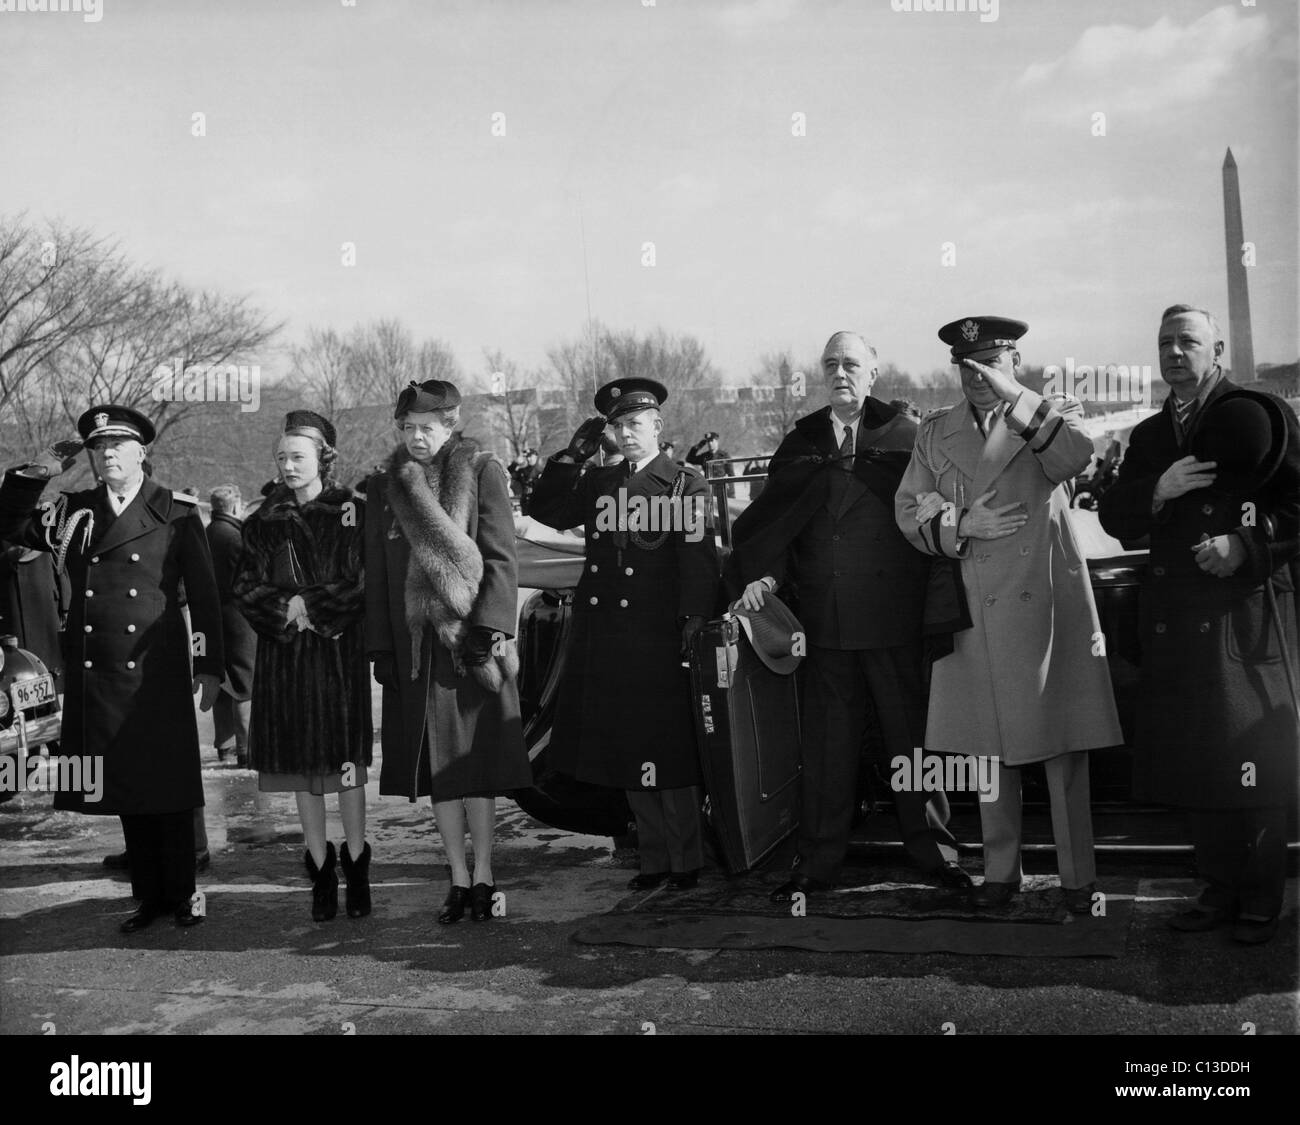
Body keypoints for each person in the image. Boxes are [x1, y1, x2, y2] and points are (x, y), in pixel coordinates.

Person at [731, 331, 968, 901]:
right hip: (823, 628)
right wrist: (766, 576)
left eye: (852, 364)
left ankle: (936, 854)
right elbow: (777, 523)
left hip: (896, 622)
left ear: (874, 371)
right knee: (828, 750)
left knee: (912, 744)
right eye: (831, 364)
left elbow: (939, 517)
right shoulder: (801, 443)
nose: (841, 372)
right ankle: (817, 863)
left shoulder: (909, 437)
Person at [896, 316, 1122, 911]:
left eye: (989, 364)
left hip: (1045, 599)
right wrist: (959, 524)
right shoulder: (935, 431)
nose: (976, 377)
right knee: (987, 744)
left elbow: (1074, 459)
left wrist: (1018, 400)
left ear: (1013, 360)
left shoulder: (1049, 416)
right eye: (966, 367)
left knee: (1061, 745)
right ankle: (1000, 872)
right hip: (973, 596)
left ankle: (1078, 879)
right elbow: (907, 506)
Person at [1099, 304, 1300, 944]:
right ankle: (1216, 889)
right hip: (1178, 620)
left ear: (1217, 351)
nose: (1175, 351)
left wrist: (1244, 548)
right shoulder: (1153, 436)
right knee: (1199, 760)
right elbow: (1115, 516)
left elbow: (1298, 506)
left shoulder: (1258, 414)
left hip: (1246, 615)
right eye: (1165, 342)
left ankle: (1262, 899)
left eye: (1188, 341)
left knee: (1251, 757)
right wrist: (1158, 491)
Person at [0, 406, 224, 932]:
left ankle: (185, 893)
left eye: (118, 446)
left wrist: (210, 663)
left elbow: (207, 596)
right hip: (98, 673)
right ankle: (148, 897)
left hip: (155, 670)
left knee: (166, 789)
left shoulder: (177, 510)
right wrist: (32, 477)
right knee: (126, 789)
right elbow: (8, 524)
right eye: (99, 448)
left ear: (141, 451)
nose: (107, 455)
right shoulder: (74, 511)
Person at [531, 378, 718, 890]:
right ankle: (652, 857)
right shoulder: (600, 483)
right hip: (607, 636)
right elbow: (545, 511)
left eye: (635, 424)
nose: (626, 434)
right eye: (617, 426)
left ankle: (686, 858)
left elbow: (697, 558)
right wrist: (571, 458)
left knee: (669, 749)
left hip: (659, 635)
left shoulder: (684, 483)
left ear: (658, 426)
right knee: (628, 746)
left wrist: (694, 620)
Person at [365, 380, 530, 925]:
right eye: (407, 427)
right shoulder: (385, 487)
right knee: (439, 775)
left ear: (450, 424)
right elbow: (380, 578)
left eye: (427, 428)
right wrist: (382, 647)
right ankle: (456, 878)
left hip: (470, 647)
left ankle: (485, 873)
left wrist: (490, 627)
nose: (416, 436)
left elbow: (501, 556)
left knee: (473, 769)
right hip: (418, 651)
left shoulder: (481, 470)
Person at [233, 412, 373, 922]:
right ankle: (319, 866)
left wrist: (313, 606)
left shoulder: (354, 512)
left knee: (346, 767)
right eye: (281, 458)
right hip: (286, 657)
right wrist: (286, 610)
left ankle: (357, 863)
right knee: (301, 770)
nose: (288, 466)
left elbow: (363, 580)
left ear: (323, 459)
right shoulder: (260, 520)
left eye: (298, 457)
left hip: (338, 655)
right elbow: (244, 586)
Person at [206, 485, 255, 767]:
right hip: (239, 618)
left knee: (222, 682)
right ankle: (247, 747)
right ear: (235, 505)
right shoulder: (235, 536)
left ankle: (224, 746)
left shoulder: (205, 533)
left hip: (213, 617)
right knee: (245, 682)